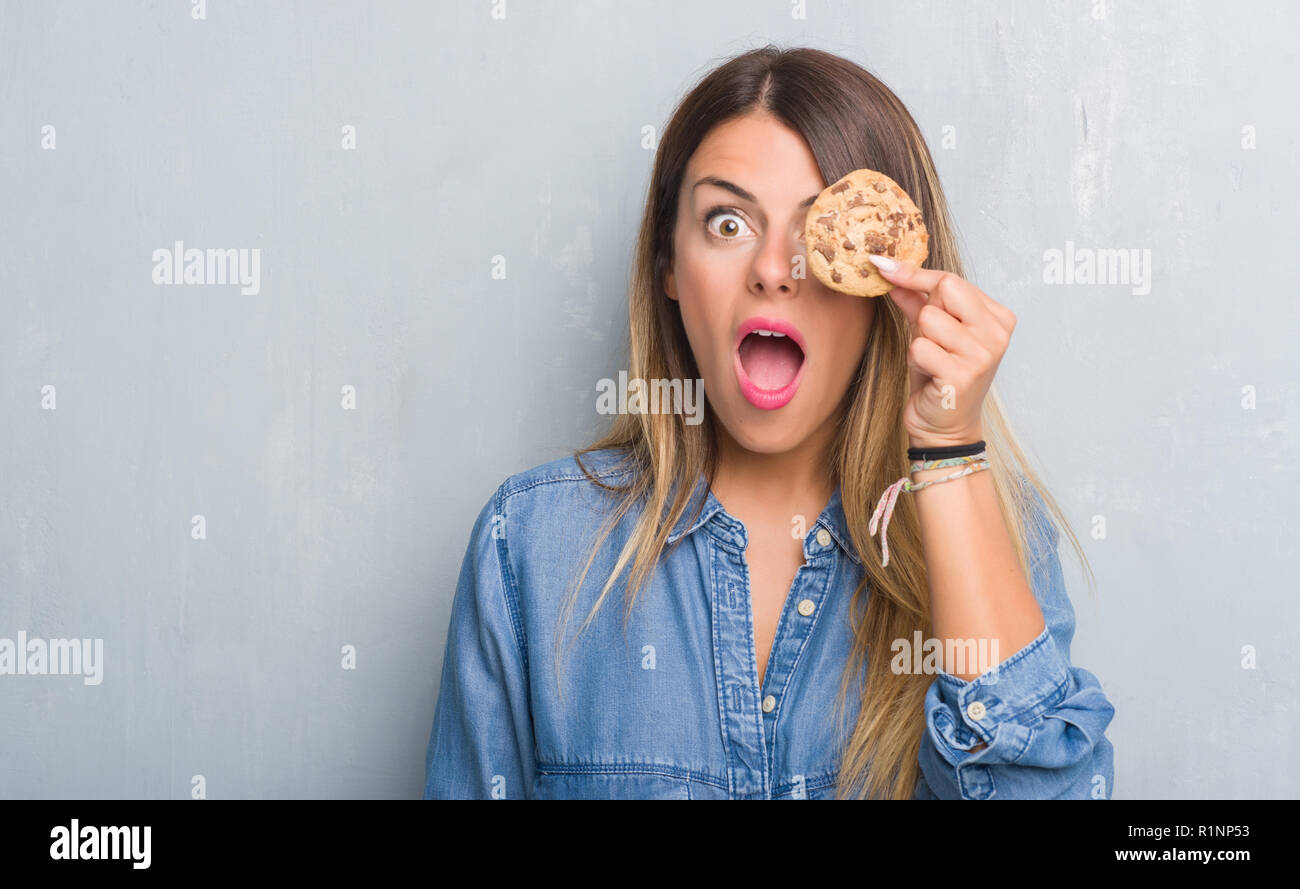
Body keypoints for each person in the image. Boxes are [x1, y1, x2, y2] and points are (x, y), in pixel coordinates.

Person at [422, 44, 1115, 799]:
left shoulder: (990, 535)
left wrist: (948, 452)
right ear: (669, 266)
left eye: (823, 230)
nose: (775, 267)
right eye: (728, 223)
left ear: (890, 276)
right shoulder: (529, 547)